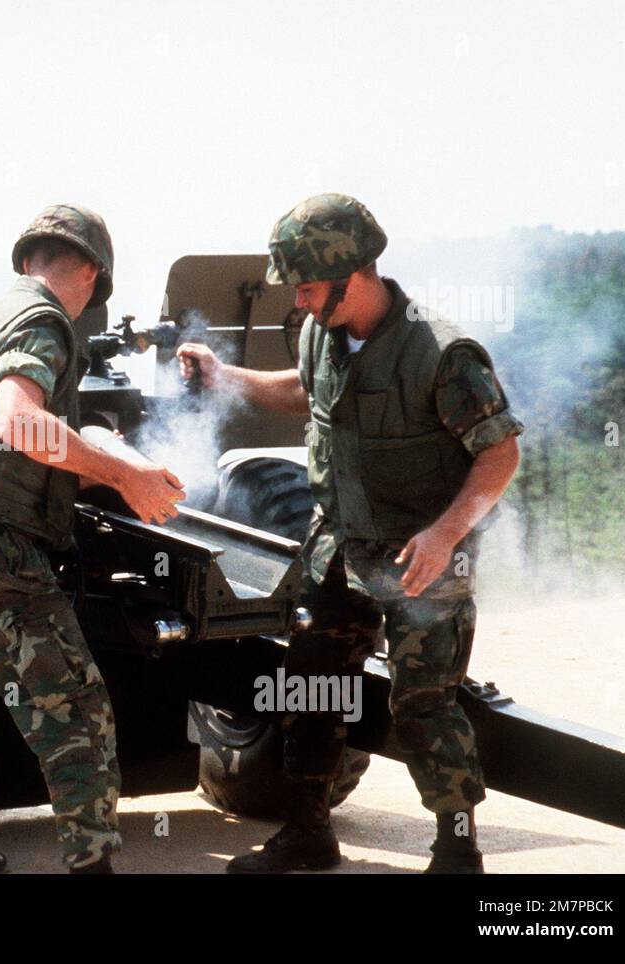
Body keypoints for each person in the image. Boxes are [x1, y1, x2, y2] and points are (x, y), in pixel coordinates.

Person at [178, 194, 522, 874]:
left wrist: (445, 535)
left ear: (352, 274)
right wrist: (226, 377)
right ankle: (308, 832)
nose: (300, 302)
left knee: (425, 703)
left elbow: (500, 452)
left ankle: (458, 850)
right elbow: (306, 392)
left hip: (423, 555)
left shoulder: (440, 352)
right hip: (340, 547)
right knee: (309, 689)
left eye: (307, 286)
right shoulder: (321, 333)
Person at [0, 204, 186, 873]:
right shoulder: (44, 318)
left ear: (28, 258)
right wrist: (121, 474)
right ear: (89, 270)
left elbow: (0, 446)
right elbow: (20, 422)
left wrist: (112, 461)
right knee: (77, 715)